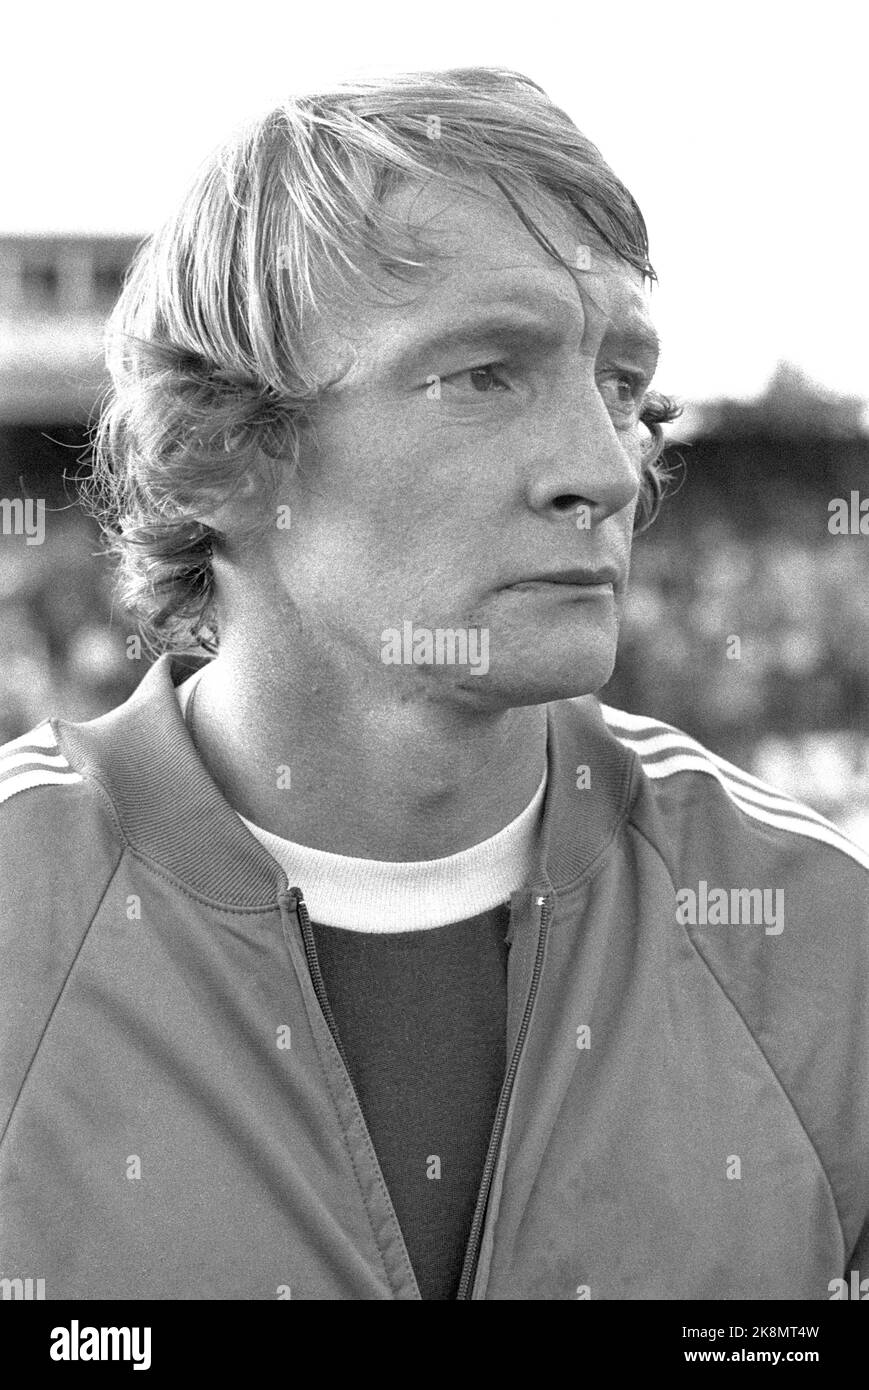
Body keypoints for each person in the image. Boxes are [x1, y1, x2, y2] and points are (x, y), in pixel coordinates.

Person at [1, 68, 866, 1302]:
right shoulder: (14, 920)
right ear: (216, 451)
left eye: (622, 386)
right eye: (481, 375)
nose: (606, 474)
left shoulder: (816, 933)